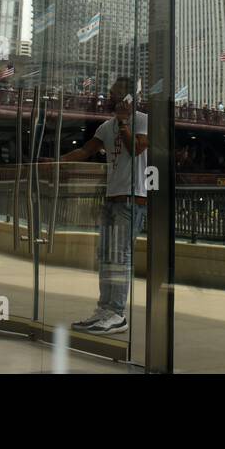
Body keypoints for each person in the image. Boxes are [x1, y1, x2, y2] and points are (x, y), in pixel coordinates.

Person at [44, 76, 147, 336]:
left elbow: (135, 148)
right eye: (111, 94)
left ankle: (117, 314)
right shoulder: (106, 126)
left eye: (115, 94)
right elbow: (85, 151)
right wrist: (57, 161)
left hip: (132, 198)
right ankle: (104, 310)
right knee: (106, 256)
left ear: (128, 98)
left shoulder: (145, 120)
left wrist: (124, 122)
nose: (110, 98)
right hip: (112, 198)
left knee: (120, 256)